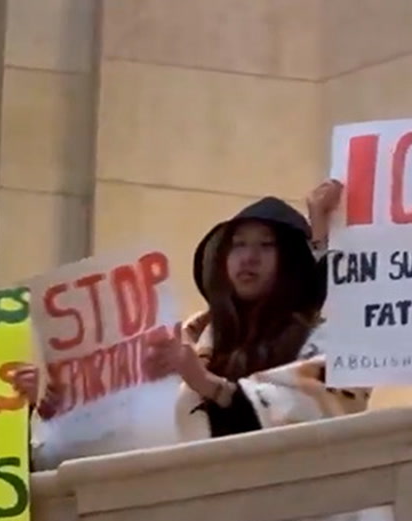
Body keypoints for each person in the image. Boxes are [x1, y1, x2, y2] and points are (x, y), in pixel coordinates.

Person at [147, 187, 369, 439]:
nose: (248, 258)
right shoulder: (192, 341)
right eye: (238, 244)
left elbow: (313, 413)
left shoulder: (324, 341)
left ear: (291, 262)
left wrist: (208, 385)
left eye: (266, 245)